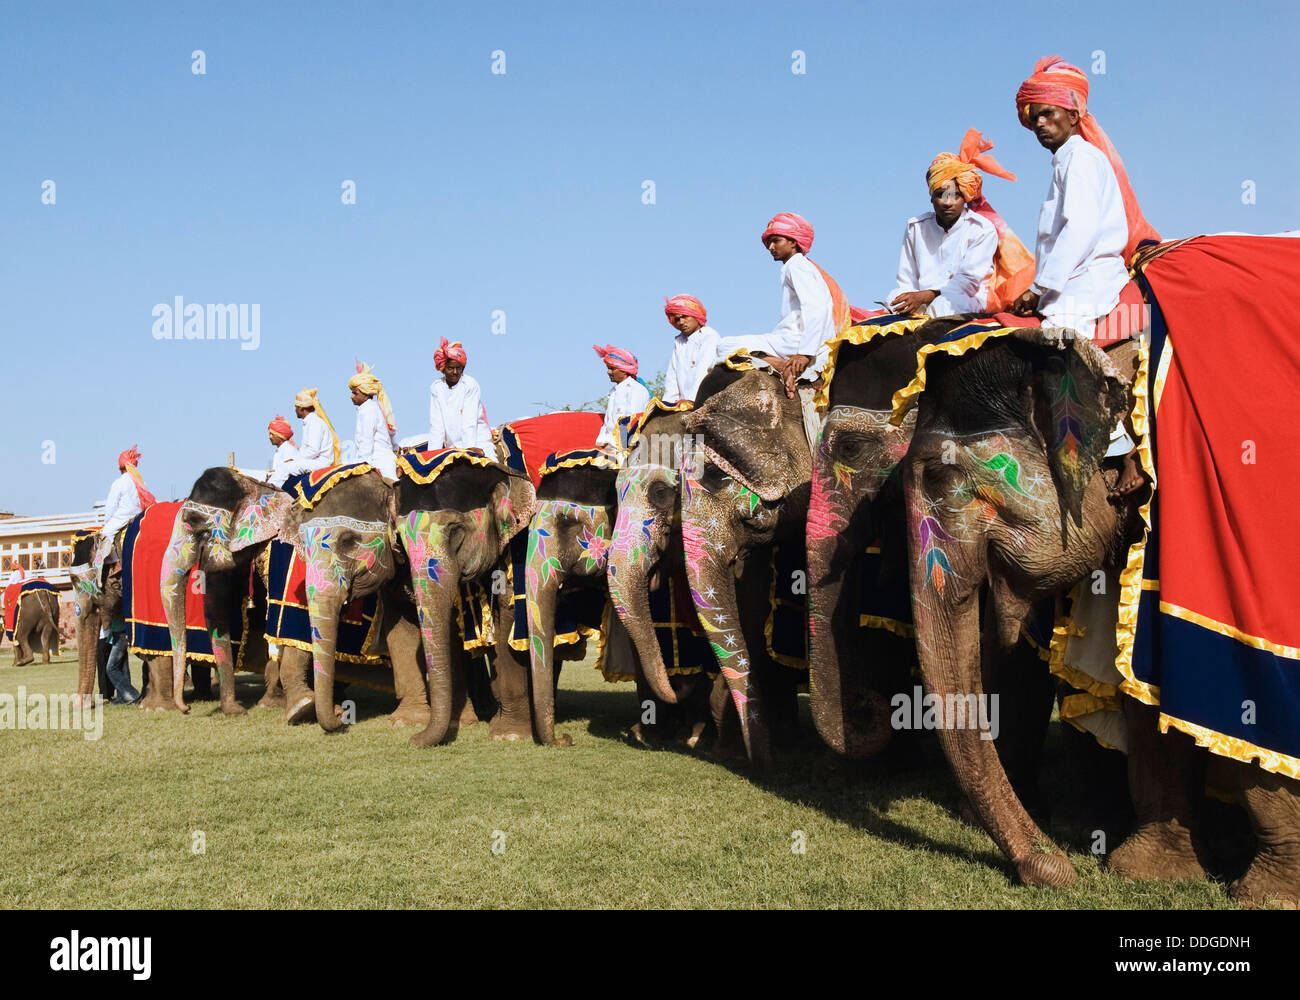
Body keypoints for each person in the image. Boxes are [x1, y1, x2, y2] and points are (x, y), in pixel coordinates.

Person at [1008, 55, 1161, 497]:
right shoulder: (1066, 160)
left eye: (1048, 114)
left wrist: (1039, 288)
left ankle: (1124, 450)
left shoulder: (1080, 158)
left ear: (1073, 115)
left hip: (1090, 280)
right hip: (1071, 279)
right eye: (1034, 116)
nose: (1040, 123)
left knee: (1060, 349)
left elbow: (1080, 229)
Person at [886, 130, 1034, 317]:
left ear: (965, 197)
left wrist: (926, 296)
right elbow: (906, 279)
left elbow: (967, 282)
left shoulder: (981, 229)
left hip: (964, 298)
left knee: (942, 307)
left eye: (955, 195)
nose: (948, 202)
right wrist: (908, 299)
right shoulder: (916, 227)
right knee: (892, 301)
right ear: (931, 197)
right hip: (919, 299)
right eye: (941, 195)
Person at [428, 338, 495, 454]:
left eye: (458, 368)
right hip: (452, 447)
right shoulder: (436, 388)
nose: (454, 372)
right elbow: (436, 426)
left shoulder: (470, 385)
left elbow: (469, 421)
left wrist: (469, 451)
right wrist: (433, 455)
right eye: (450, 368)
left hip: (477, 443)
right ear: (443, 369)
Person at [96, 446, 157, 573]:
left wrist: (107, 522)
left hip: (124, 516)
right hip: (140, 516)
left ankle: (116, 563)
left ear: (120, 467)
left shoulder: (120, 482)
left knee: (104, 535)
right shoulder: (140, 482)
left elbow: (111, 506)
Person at [662, 295, 721, 404]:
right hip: (682, 404)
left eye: (685, 316)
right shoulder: (679, 342)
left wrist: (692, 399)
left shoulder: (709, 337)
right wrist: (668, 403)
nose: (681, 322)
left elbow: (704, 370)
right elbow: (672, 377)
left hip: (704, 401)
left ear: (695, 315)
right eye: (677, 319)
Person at [593, 345, 651, 453]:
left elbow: (633, 423)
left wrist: (621, 448)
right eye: (608, 368)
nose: (608, 372)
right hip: (609, 448)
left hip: (627, 450)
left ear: (624, 370)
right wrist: (602, 443)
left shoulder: (637, 390)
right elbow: (608, 424)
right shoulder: (614, 392)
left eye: (612, 369)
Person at [348, 362, 399, 478]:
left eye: (355, 393)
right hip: (372, 459)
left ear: (365, 394)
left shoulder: (369, 409)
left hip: (380, 462)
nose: (351, 396)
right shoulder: (366, 408)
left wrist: (361, 465)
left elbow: (367, 440)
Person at [293, 387, 341, 471]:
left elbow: (313, 450)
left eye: (296, 407)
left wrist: (295, 459)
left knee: (287, 467)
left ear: (301, 408)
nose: (295, 410)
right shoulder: (309, 422)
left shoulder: (314, 423)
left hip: (320, 463)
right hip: (313, 461)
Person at [103, 610, 140, 705]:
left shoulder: (117, 599)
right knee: (122, 668)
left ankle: (133, 695)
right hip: (117, 634)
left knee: (111, 668)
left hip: (121, 635)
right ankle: (123, 697)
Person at [266, 415, 300, 488]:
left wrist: (270, 486)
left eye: (272, 434)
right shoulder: (279, 450)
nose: (270, 437)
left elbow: (285, 474)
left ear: (280, 436)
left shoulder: (288, 450)